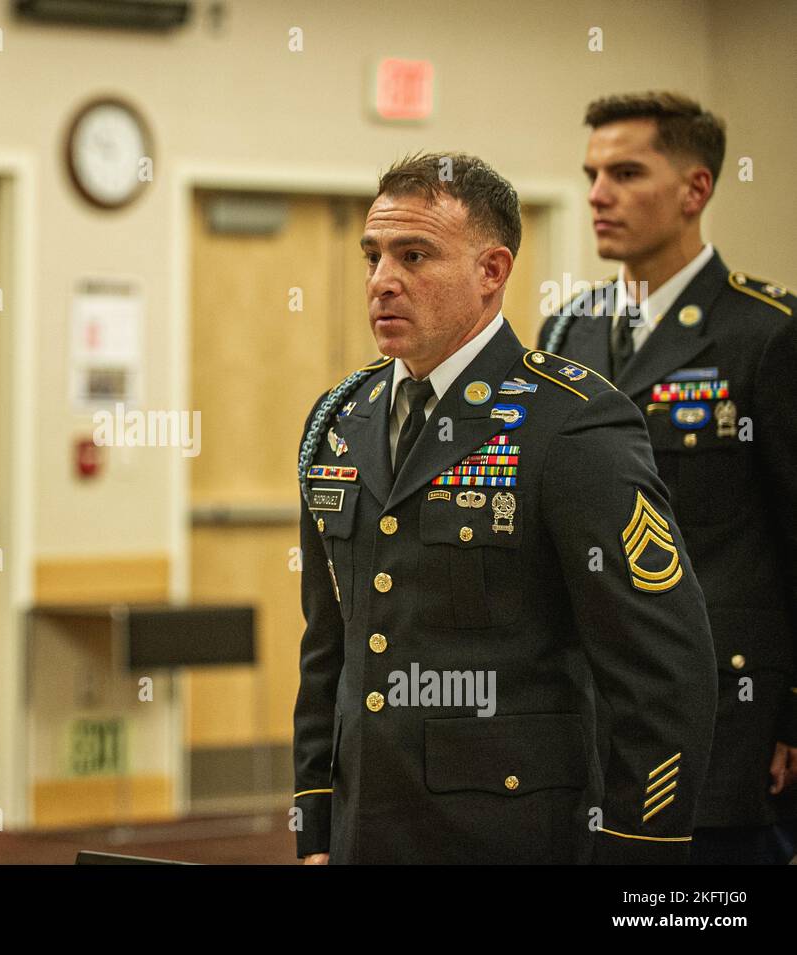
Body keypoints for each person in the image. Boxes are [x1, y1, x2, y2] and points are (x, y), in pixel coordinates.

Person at [292, 152, 716, 864]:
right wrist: (315, 819)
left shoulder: (572, 423)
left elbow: (664, 666)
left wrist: (636, 851)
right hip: (369, 828)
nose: (382, 281)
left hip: (513, 835)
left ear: (492, 271)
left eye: (414, 255)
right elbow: (327, 648)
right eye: (373, 256)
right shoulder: (339, 418)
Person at [540, 92, 797, 864]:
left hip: (727, 709)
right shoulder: (568, 330)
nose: (597, 195)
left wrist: (791, 713)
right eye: (590, 174)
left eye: (625, 172)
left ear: (695, 190)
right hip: (590, 708)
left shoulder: (768, 333)